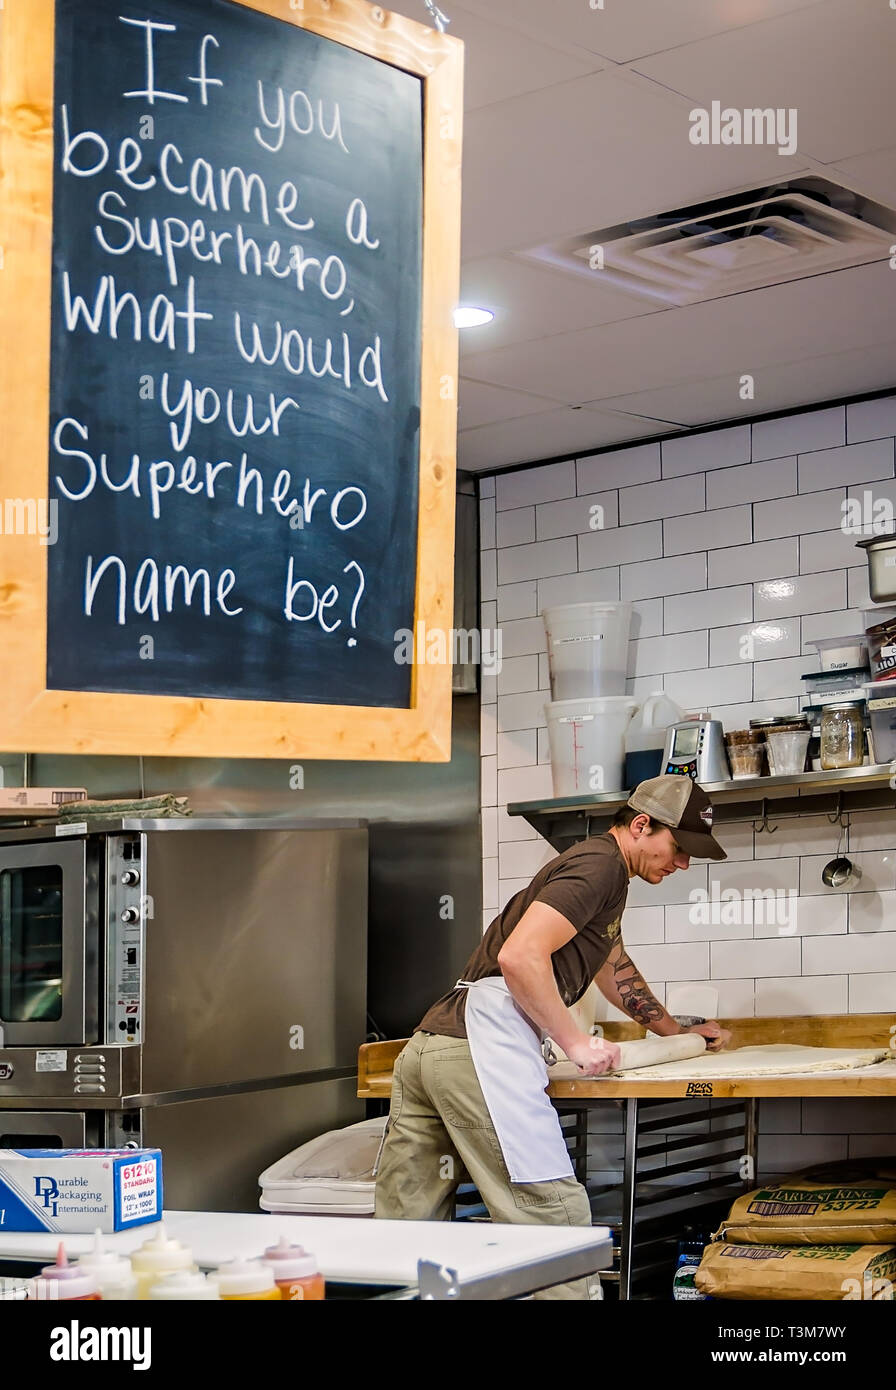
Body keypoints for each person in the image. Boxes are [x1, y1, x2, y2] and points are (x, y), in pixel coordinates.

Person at [374, 775, 733, 1299]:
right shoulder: (601, 865)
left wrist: (676, 1031)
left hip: (432, 1048)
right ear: (640, 825)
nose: (681, 864)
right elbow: (518, 957)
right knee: (554, 1223)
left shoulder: (602, 874)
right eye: (678, 848)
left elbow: (613, 967)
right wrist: (576, 1041)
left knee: (408, 1225)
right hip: (481, 1051)